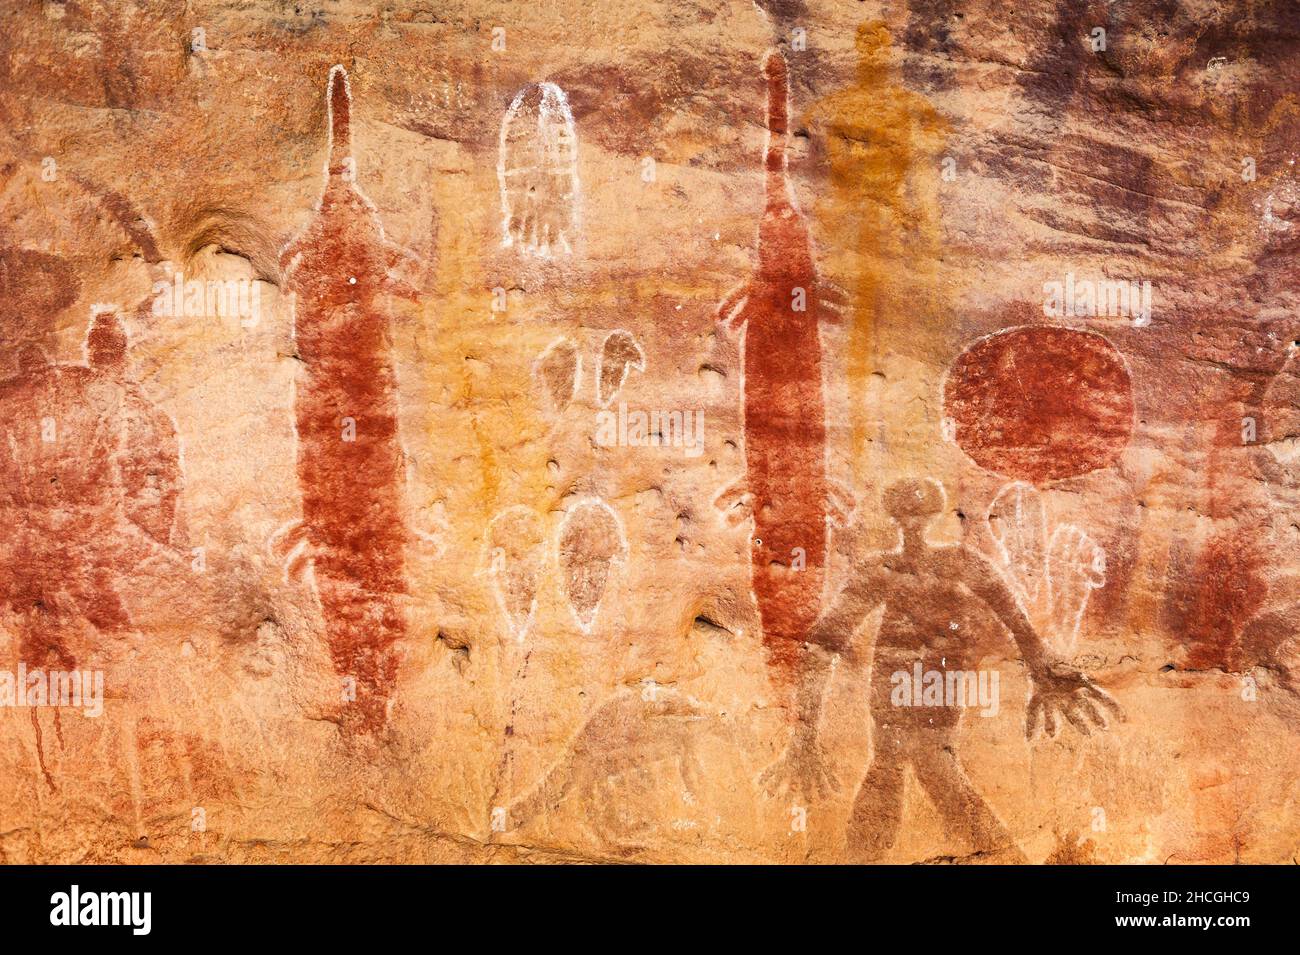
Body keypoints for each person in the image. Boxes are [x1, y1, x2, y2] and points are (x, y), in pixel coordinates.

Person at [773, 477, 1121, 861]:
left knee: (915, 768)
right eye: (906, 514)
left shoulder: (938, 565)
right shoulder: (902, 569)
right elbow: (824, 643)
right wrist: (803, 733)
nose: (911, 524)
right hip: (906, 687)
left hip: (929, 687)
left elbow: (1016, 621)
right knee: (910, 768)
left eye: (915, 513)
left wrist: (1041, 664)